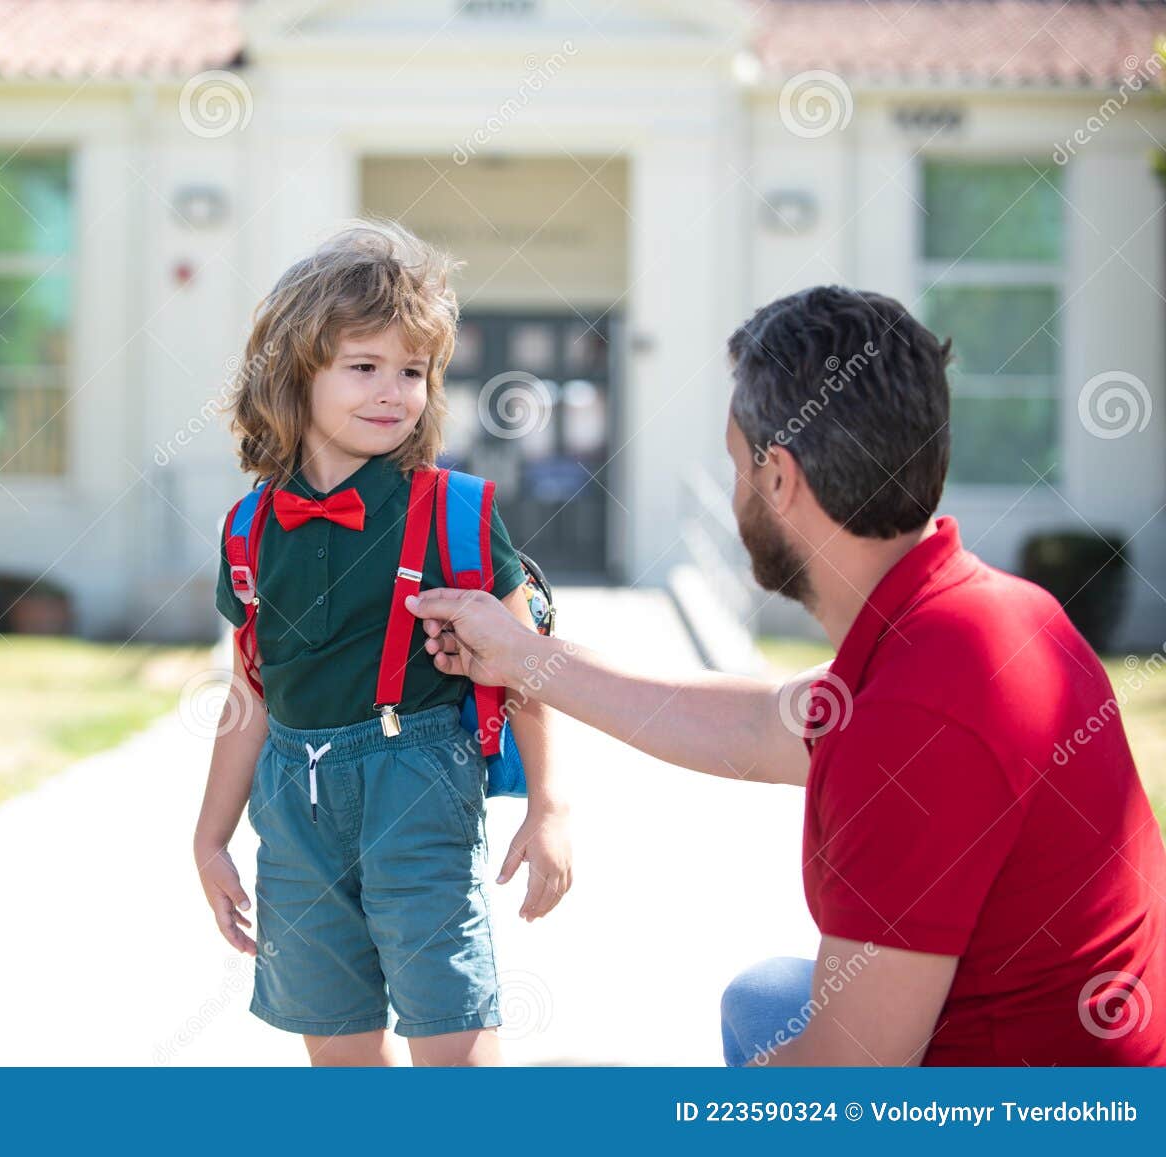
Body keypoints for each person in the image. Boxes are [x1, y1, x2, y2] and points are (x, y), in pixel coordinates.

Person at [407, 286, 1166, 1066]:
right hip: (1079, 1052)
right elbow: (756, 727)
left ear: (782, 480)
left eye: (739, 466)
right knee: (762, 995)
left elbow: (841, 1082)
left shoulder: (919, 716)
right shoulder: (985, 616)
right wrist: (523, 655)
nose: (735, 494)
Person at [192, 221, 571, 1067]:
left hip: (419, 788)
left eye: (413, 371)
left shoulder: (457, 512)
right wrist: (210, 836)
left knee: (455, 1047)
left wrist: (548, 808)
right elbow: (247, 692)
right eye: (364, 366)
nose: (392, 391)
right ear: (297, 374)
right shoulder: (250, 527)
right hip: (294, 805)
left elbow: (530, 666)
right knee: (338, 1057)